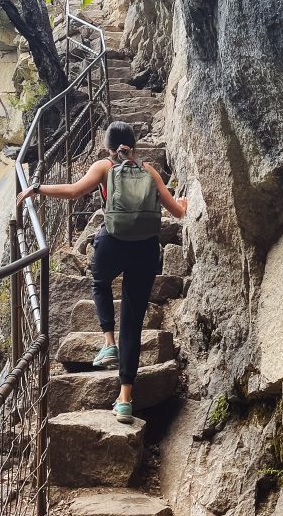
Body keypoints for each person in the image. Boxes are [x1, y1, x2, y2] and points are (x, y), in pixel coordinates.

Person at [17, 121, 187, 423]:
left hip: (113, 242)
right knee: (133, 322)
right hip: (145, 250)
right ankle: (124, 399)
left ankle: (108, 342)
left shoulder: (104, 167)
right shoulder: (150, 171)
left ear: (108, 146)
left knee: (99, 281)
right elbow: (177, 212)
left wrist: (36, 188)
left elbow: (72, 192)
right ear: (134, 146)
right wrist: (184, 202)